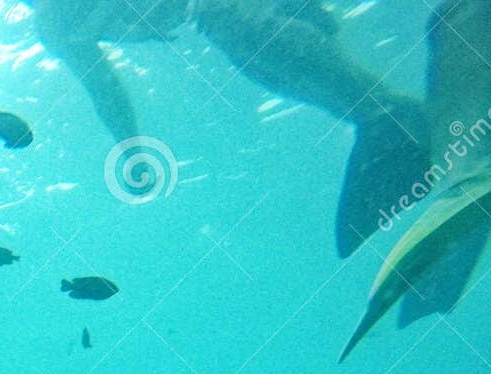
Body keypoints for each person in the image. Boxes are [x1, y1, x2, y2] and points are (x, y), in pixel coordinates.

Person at [29, 0, 427, 256]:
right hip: (206, 14)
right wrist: (131, 148)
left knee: (234, 26)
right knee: (241, 42)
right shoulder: (53, 22)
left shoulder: (53, 21)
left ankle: (388, 114)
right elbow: (104, 88)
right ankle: (386, 119)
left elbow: (105, 89)